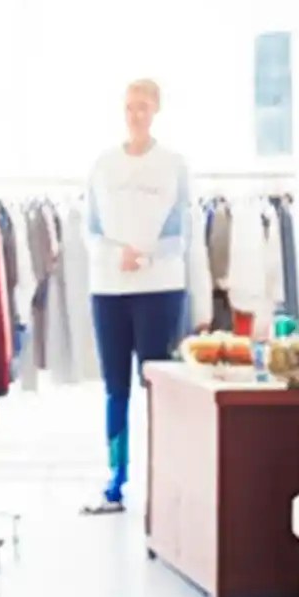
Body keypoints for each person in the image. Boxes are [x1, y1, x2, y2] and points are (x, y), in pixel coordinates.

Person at [81, 78, 211, 515]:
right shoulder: (102, 165)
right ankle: (115, 480)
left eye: (143, 106)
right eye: (130, 106)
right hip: (109, 289)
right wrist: (118, 255)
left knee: (159, 384)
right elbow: (90, 228)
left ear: (156, 109)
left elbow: (183, 228)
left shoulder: (172, 164)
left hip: (160, 288)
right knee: (115, 387)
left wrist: (148, 255)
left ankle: (168, 477)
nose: (135, 114)